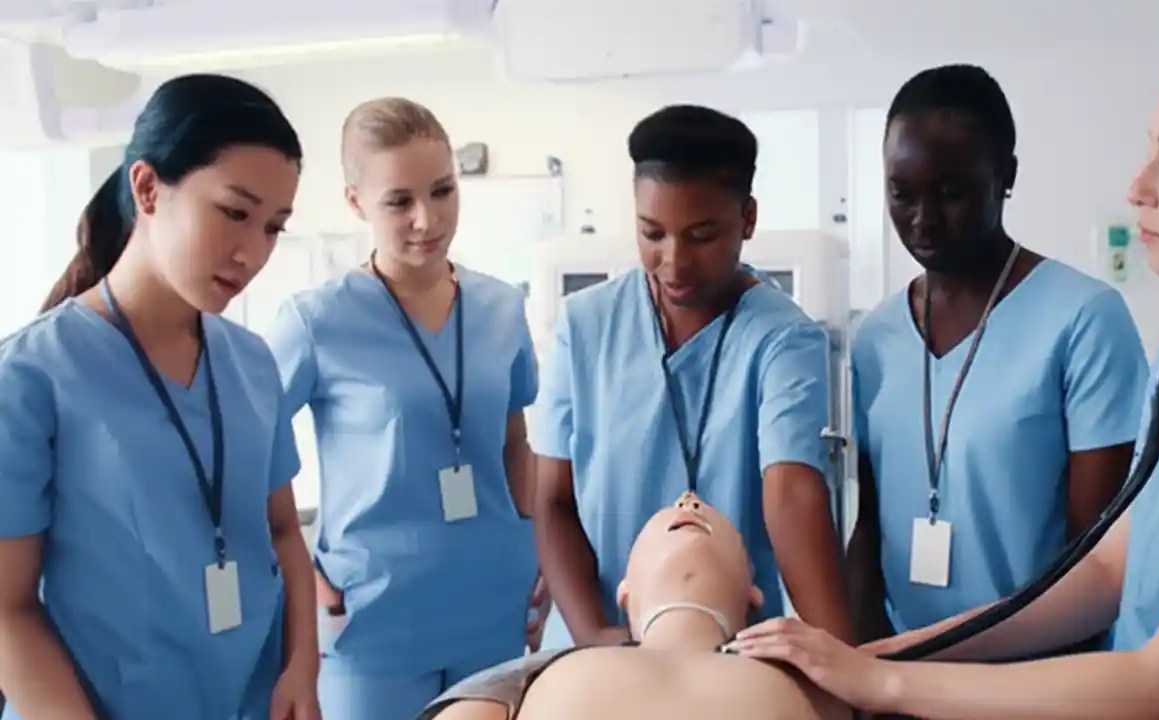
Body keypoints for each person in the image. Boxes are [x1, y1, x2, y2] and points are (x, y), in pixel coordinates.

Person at [729, 16, 1159, 718]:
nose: (1138, 187)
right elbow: (1106, 568)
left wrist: (882, 681)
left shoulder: (1088, 322)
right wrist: (873, 656)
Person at [0, 74, 318, 720]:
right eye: (234, 212)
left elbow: (282, 531)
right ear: (147, 188)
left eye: (273, 227)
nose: (251, 252)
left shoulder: (251, 362)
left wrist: (302, 670)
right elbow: (6, 607)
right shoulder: (33, 374)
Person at [845, 63, 1150, 646]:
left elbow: (1094, 553)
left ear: (1005, 174)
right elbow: (868, 526)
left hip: (1037, 670)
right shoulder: (876, 337)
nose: (923, 219)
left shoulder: (1084, 319)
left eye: (951, 192)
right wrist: (872, 665)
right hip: (902, 664)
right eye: (901, 193)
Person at [531, 104, 852, 651]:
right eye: (651, 232)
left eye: (702, 235)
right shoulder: (584, 327)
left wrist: (845, 667)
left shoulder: (784, 339)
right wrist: (592, 634)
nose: (674, 262)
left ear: (747, 219)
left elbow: (791, 496)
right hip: (605, 645)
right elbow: (553, 501)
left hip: (733, 656)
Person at [266, 96, 544, 719]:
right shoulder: (317, 320)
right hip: (371, 612)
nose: (428, 218)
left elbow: (513, 443)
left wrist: (539, 549)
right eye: (399, 201)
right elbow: (243, 447)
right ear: (355, 202)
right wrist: (296, 569)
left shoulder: (501, 307)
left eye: (443, 191)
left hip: (493, 599)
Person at [418, 491, 846, 720]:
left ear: (754, 593)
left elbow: (896, 685)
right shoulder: (523, 680)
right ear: (625, 590)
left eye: (707, 515)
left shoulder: (822, 677)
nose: (688, 500)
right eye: (668, 518)